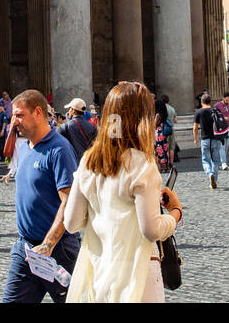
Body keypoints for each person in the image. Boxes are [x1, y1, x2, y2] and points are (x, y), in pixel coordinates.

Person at [63, 81, 182, 302]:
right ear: (143, 120)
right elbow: (152, 230)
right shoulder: (142, 165)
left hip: (99, 272)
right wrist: (176, 212)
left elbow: (71, 223)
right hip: (139, 275)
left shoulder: (89, 161)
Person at [3, 89, 81, 303]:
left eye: (19, 115)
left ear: (38, 112)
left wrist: (48, 244)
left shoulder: (59, 149)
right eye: (13, 116)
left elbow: (69, 201)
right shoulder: (26, 147)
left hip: (57, 251)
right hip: (26, 249)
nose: (14, 121)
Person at [191, 93, 226, 189]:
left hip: (205, 138)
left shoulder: (199, 112)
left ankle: (210, 173)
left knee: (205, 160)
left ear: (201, 102)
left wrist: (195, 139)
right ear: (210, 102)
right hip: (216, 138)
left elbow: (195, 127)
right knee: (215, 160)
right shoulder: (215, 110)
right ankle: (214, 178)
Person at [214, 93, 229, 169]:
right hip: (219, 129)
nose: (228, 101)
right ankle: (223, 163)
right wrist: (225, 118)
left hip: (227, 128)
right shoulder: (217, 105)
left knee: (226, 147)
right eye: (226, 100)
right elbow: (215, 116)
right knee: (221, 146)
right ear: (223, 98)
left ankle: (220, 163)